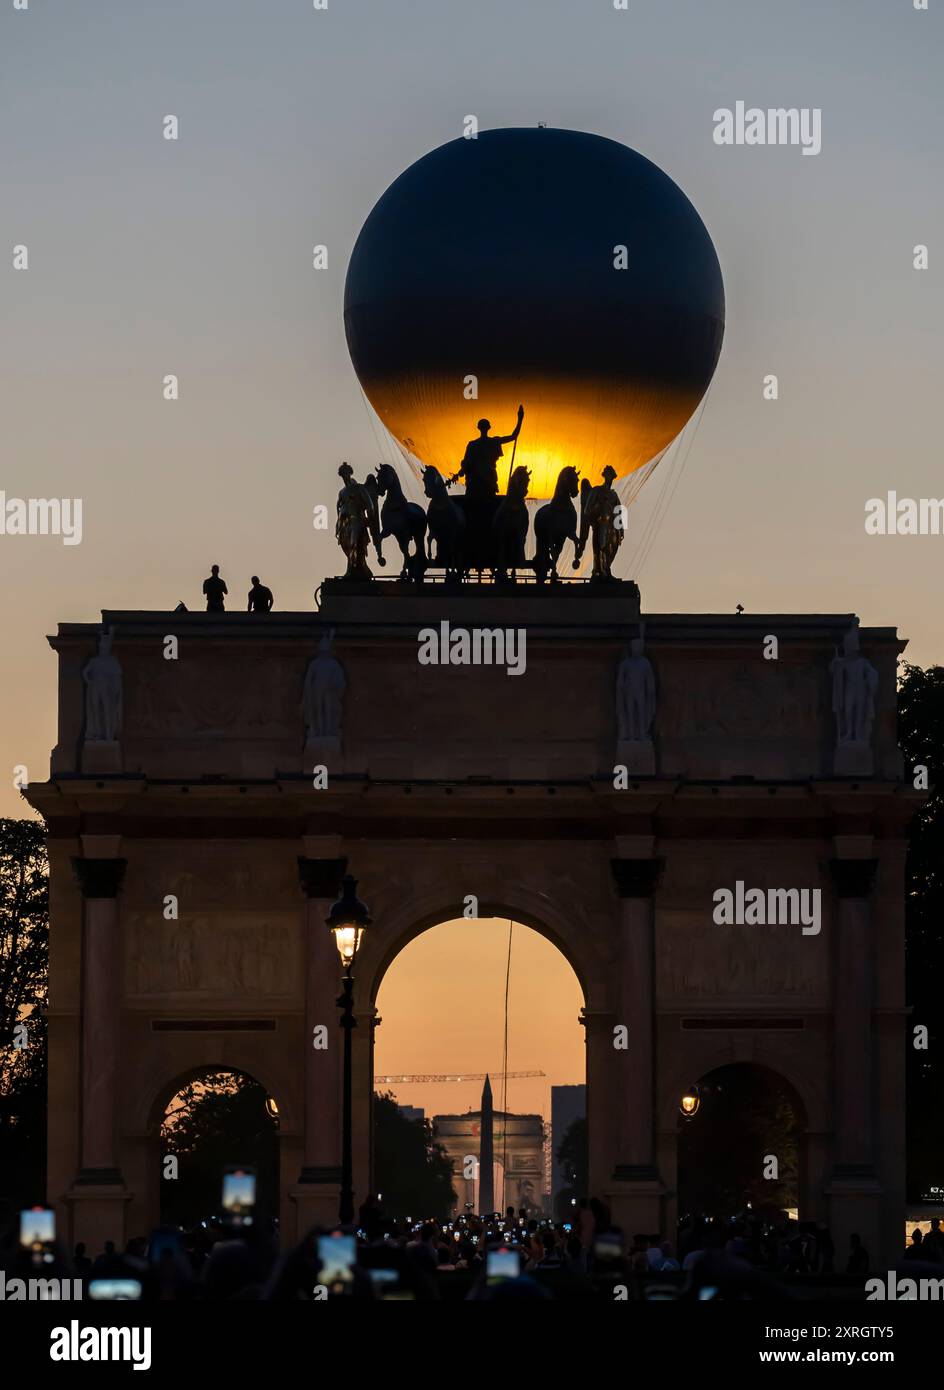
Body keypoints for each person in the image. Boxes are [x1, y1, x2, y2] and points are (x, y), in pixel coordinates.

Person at [451, 406, 524, 501]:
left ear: (478, 428)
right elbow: (513, 436)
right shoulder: (493, 442)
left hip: (477, 481)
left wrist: (459, 473)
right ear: (489, 427)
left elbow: (466, 464)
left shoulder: (473, 444)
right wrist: (520, 420)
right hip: (486, 480)